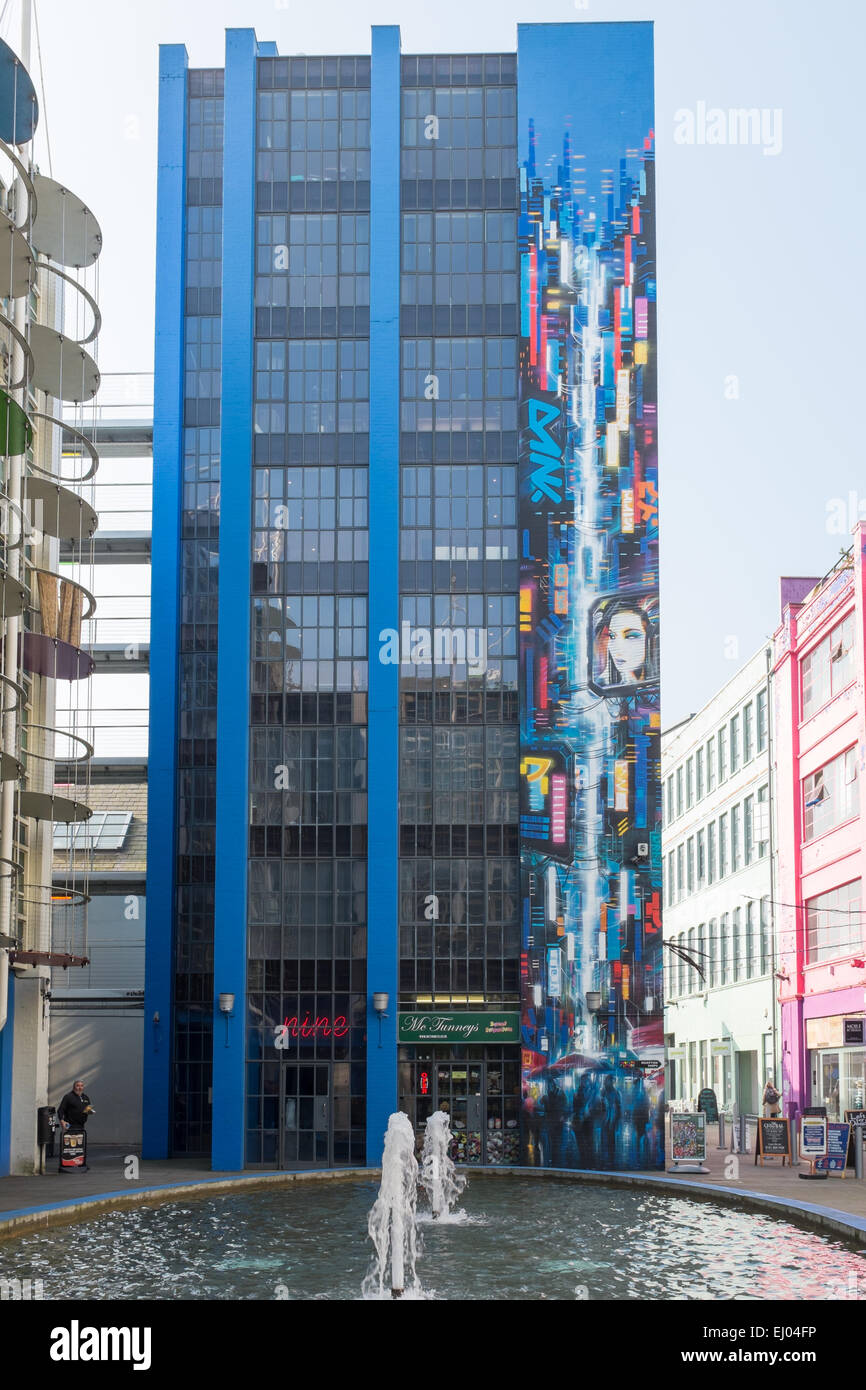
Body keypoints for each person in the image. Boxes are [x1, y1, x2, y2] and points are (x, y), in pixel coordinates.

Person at [596, 600, 657, 689]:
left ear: (650, 639)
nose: (618, 647)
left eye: (631, 636)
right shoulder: (601, 686)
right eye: (612, 636)